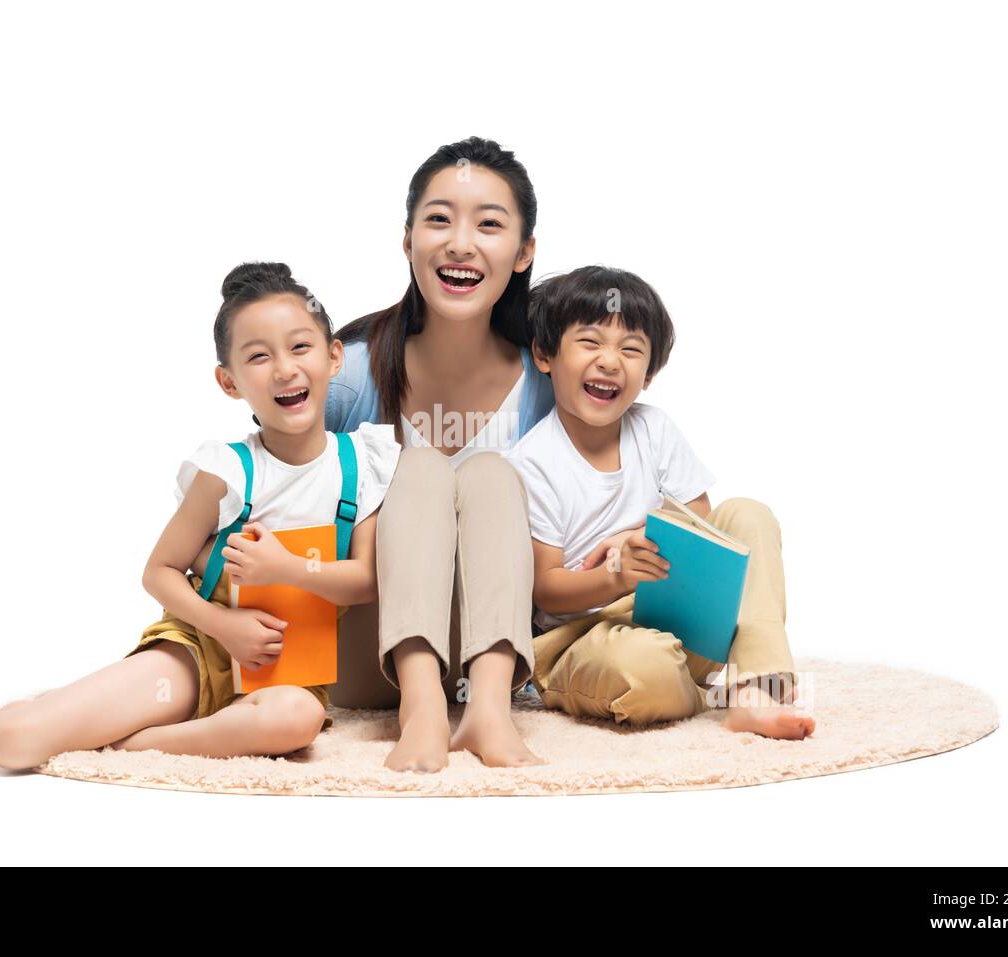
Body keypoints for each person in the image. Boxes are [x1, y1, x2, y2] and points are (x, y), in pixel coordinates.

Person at [0, 262, 400, 769]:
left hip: (286, 675)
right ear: (230, 381)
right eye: (258, 356)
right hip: (199, 652)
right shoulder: (228, 471)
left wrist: (284, 568)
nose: (285, 369)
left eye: (300, 347)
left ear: (334, 356)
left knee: (297, 721)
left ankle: (130, 744)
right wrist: (225, 627)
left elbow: (363, 581)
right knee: (10, 739)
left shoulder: (362, 464)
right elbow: (159, 571)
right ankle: (93, 714)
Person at [505, 265, 817, 739]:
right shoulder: (534, 461)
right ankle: (709, 693)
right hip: (585, 639)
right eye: (590, 343)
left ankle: (757, 689)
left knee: (748, 514)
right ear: (545, 355)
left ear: (648, 374)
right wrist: (615, 575)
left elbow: (708, 529)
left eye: (631, 350)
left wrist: (636, 535)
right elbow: (544, 589)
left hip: (674, 614)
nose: (610, 362)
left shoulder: (654, 429)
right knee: (643, 670)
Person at [325, 136, 554, 771]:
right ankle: (421, 713)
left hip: (506, 656)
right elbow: (249, 487)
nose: (460, 242)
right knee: (419, 468)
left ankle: (487, 713)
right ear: (408, 242)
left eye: (488, 224)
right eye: (438, 219)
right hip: (367, 652)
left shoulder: (550, 380)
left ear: (522, 253)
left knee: (486, 472)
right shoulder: (350, 373)